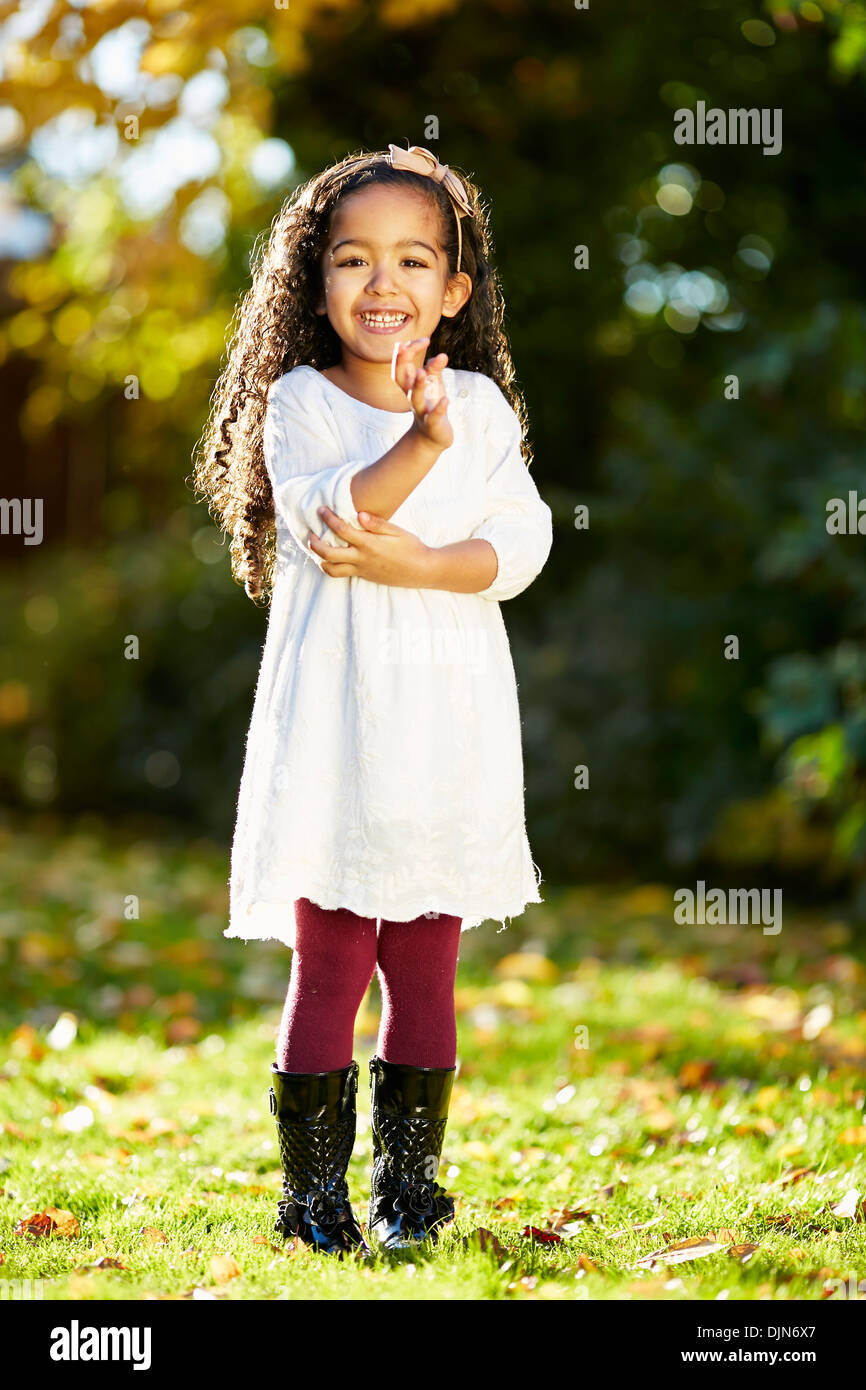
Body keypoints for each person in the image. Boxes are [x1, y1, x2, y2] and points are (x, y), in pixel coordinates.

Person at [191, 142, 553, 1259]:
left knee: (425, 958)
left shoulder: (481, 406)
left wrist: (422, 560)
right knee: (333, 956)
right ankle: (312, 1200)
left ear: (453, 289)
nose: (381, 283)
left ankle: (409, 1187)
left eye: (411, 260)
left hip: (445, 731)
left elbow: (520, 540)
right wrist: (418, 442)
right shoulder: (297, 400)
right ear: (314, 282)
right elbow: (327, 518)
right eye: (352, 259)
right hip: (338, 736)